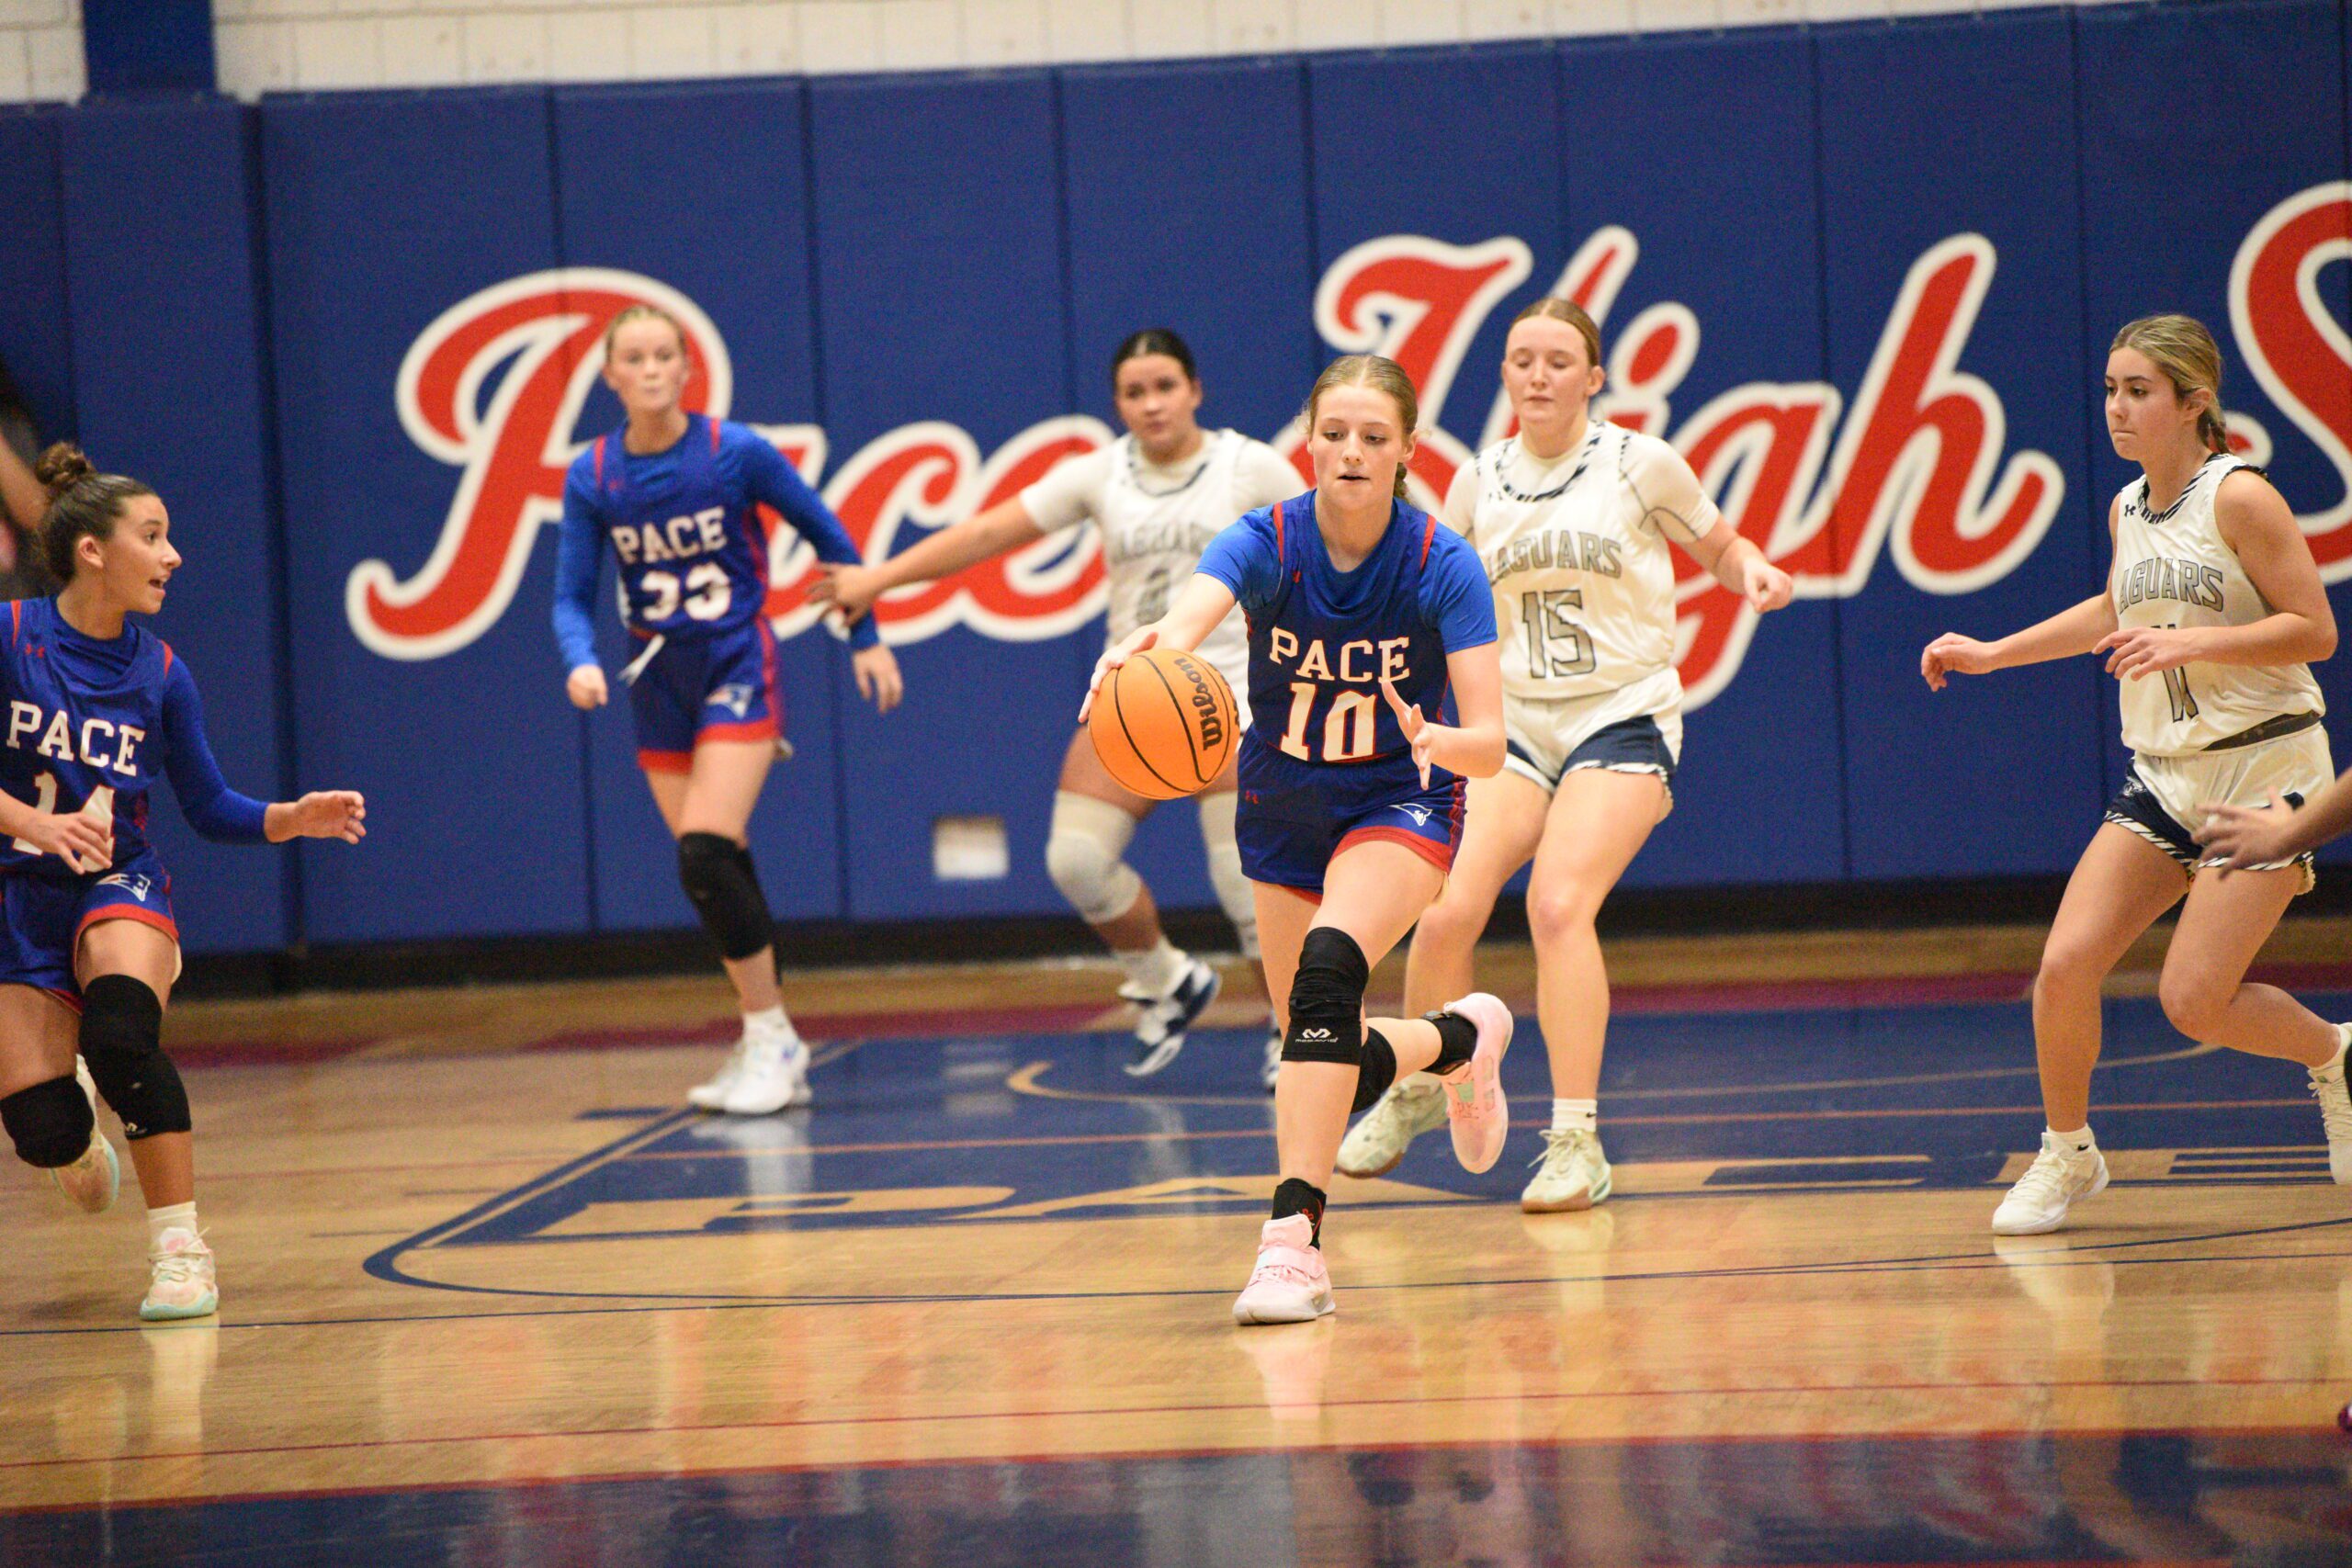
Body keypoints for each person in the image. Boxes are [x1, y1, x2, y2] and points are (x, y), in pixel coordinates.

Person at [1336, 299, 1792, 1211]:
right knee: (1445, 904)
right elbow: (1442, 609)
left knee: (1555, 903)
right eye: (1520, 360)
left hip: (1619, 717)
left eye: (1557, 361)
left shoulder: (1639, 462)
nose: (1537, 375)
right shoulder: (1475, 481)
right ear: (1502, 375)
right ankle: (1422, 1087)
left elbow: (1721, 544)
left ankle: (1576, 1138)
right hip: (1516, 728)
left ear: (1592, 377)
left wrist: (1751, 572)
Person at [1083, 354, 1513, 1324]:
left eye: (1373, 437)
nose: (1351, 452)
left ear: (1406, 451)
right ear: (1307, 442)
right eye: (1334, 434)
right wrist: (1142, 650)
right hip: (1281, 805)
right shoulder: (1264, 539)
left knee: (1326, 977)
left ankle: (1292, 1246)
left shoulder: (1441, 562)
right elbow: (1185, 620)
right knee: (1316, 1042)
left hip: (1398, 803)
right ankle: (1457, 1039)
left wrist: (1443, 739)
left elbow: (1488, 743)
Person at [1921, 313, 2348, 1233]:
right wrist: (1994, 653)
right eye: (2110, 389)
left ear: (2194, 403)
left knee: (2192, 1001)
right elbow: (2117, 607)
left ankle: (2335, 1054)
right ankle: (2068, 1154)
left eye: (2137, 391)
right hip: (2164, 773)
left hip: (2265, 769)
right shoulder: (2129, 506)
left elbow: (2314, 629)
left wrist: (2191, 639)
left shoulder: (2239, 498)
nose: (2116, 407)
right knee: (2064, 965)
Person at [816, 330, 1299, 1080]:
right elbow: (984, 532)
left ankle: (1291, 1029)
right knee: (1074, 859)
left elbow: (1321, 549)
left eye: (1165, 386)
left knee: (1244, 880)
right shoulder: (1101, 474)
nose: (1151, 403)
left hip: (1231, 693)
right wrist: (876, 580)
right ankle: (1171, 980)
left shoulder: (1250, 467)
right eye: (1135, 392)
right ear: (1117, 404)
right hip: (1137, 692)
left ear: (1196, 390)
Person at [0, 445, 366, 1319]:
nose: (172, 556)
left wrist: (290, 816)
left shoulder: (161, 673)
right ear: (93, 549)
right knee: (49, 1135)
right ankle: (75, 1116)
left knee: (125, 1031)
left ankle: (180, 1249)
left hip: (116, 878)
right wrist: (32, 822)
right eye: (153, 537)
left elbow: (207, 805)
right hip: (20, 891)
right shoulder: (11, 637)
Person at [555, 305, 903, 1116]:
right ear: (609, 375)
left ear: (685, 368)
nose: (648, 369)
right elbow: (571, 593)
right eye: (632, 358)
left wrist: (868, 639)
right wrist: (579, 659)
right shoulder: (594, 473)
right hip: (655, 675)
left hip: (736, 659)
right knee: (717, 863)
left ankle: (772, 1033)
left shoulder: (732, 451)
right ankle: (767, 1036)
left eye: (663, 355)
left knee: (705, 851)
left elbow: (831, 536)